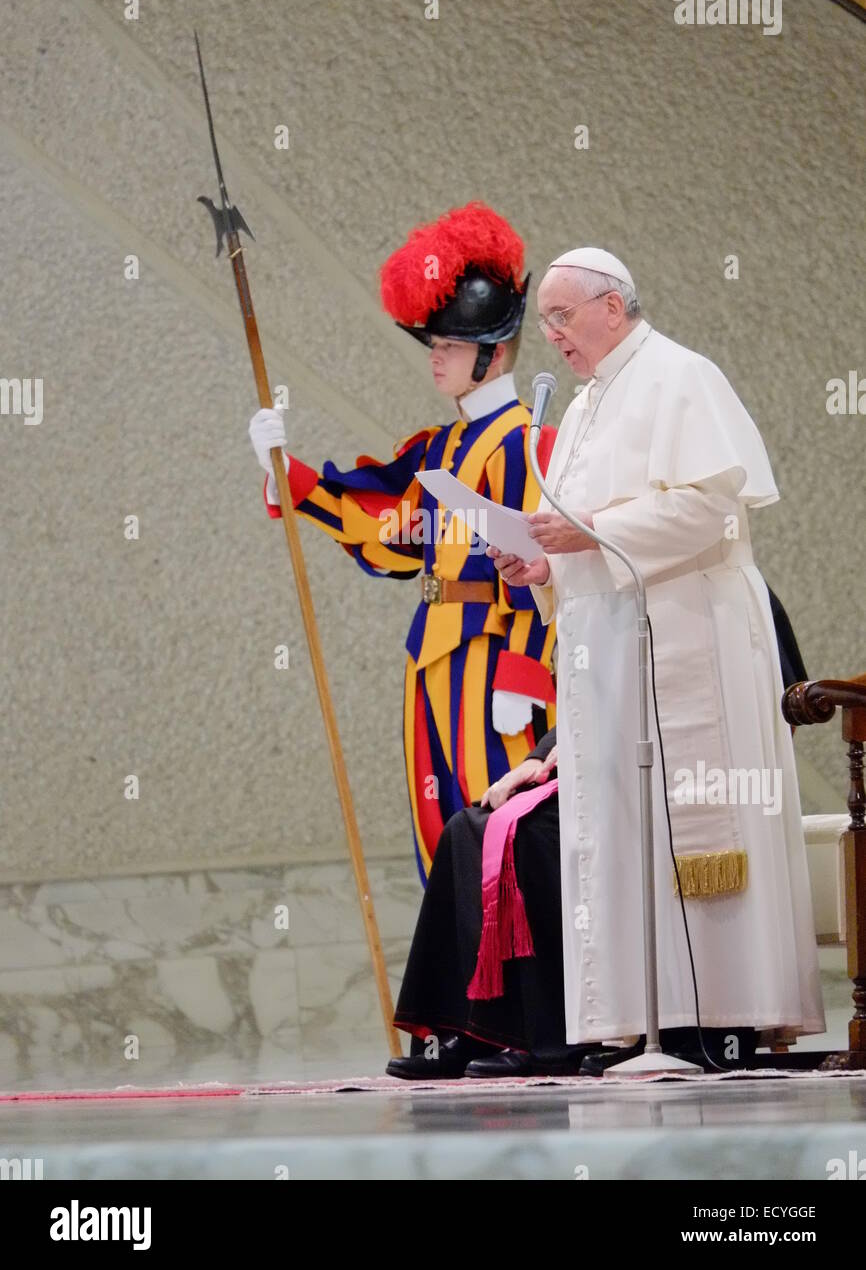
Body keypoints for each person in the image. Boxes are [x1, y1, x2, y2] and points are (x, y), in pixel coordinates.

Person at [489, 247, 824, 1064]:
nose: (553, 335)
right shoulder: (584, 407)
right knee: (621, 826)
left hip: (690, 635)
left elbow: (711, 508)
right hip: (610, 652)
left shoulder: (681, 376)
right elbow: (583, 538)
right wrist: (543, 569)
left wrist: (590, 532)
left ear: (613, 306)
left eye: (563, 316)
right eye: (545, 322)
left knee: (697, 821)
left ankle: (722, 1015)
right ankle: (647, 1016)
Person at [387, 579, 813, 1078]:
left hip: (682, 784)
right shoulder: (608, 594)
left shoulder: (727, 590)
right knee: (469, 829)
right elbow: (585, 701)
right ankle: (469, 1030)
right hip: (598, 774)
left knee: (533, 837)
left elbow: (776, 710)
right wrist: (539, 757)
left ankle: (549, 1038)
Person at [249, 204, 556, 881]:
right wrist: (287, 473)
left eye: (450, 345)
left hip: (494, 659)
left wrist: (525, 674)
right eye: (434, 343)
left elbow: (543, 566)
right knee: (441, 830)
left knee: (501, 829)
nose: (436, 357)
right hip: (432, 651)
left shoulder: (527, 443)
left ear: (493, 350)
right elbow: (391, 532)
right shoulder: (440, 447)